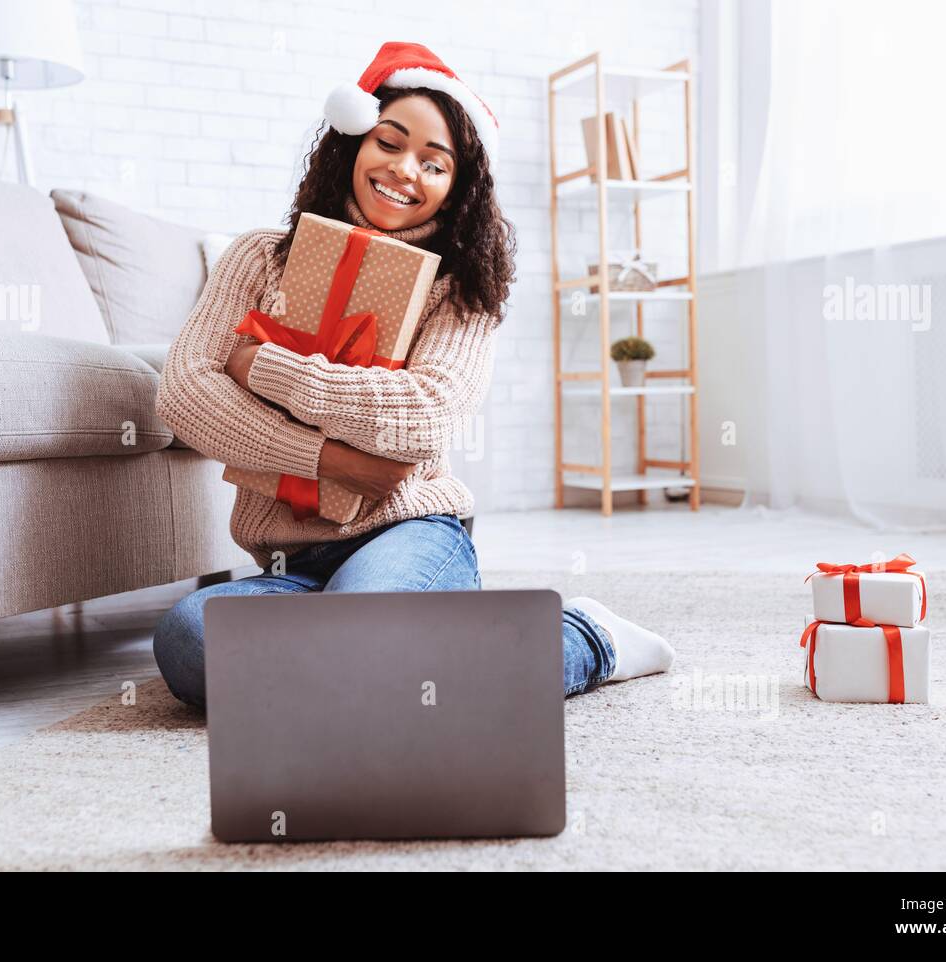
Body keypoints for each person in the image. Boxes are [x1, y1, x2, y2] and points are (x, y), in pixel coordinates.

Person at [153, 41, 675, 707]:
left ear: (456, 188)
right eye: (390, 143)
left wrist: (264, 366)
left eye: (435, 163)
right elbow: (186, 393)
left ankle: (586, 637)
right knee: (188, 637)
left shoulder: (461, 291)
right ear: (352, 142)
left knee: (359, 633)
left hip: (409, 536)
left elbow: (422, 415)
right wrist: (335, 460)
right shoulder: (259, 258)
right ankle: (402, 658)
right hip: (287, 569)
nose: (406, 170)